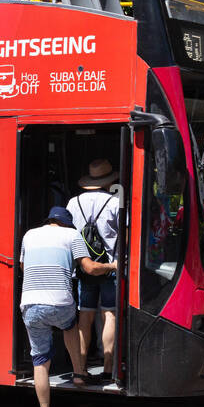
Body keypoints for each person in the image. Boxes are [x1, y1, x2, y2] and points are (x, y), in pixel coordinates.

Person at [20, 206, 117, 407]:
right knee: (70, 325)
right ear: (66, 223)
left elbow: (24, 267)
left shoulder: (29, 235)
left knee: (40, 361)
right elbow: (90, 268)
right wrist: (112, 265)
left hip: (31, 303)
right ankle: (79, 373)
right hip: (60, 302)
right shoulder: (72, 235)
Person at [66, 159, 121, 380]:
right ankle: (109, 369)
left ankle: (80, 369)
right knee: (109, 314)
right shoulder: (115, 202)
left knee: (85, 318)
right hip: (111, 267)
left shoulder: (72, 203)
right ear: (108, 181)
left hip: (84, 268)